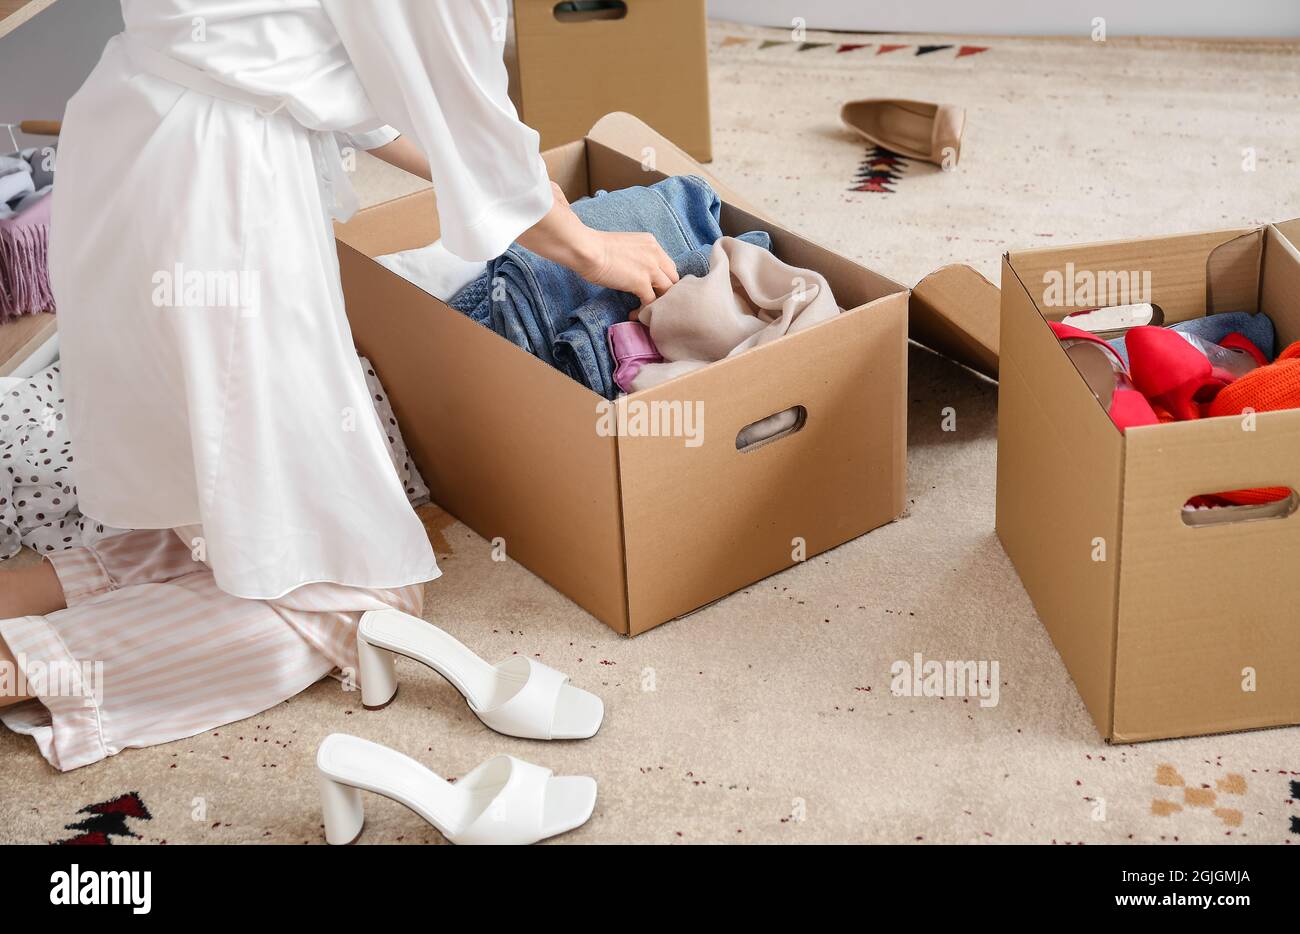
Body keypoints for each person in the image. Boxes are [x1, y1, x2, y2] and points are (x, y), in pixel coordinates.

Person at [0, 0, 676, 770]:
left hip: (134, 142)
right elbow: (452, 97)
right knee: (362, 598)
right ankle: (32, 663)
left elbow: (314, 52)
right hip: (217, 205)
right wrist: (587, 250)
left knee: (211, 522)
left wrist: (521, 192)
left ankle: (28, 592)